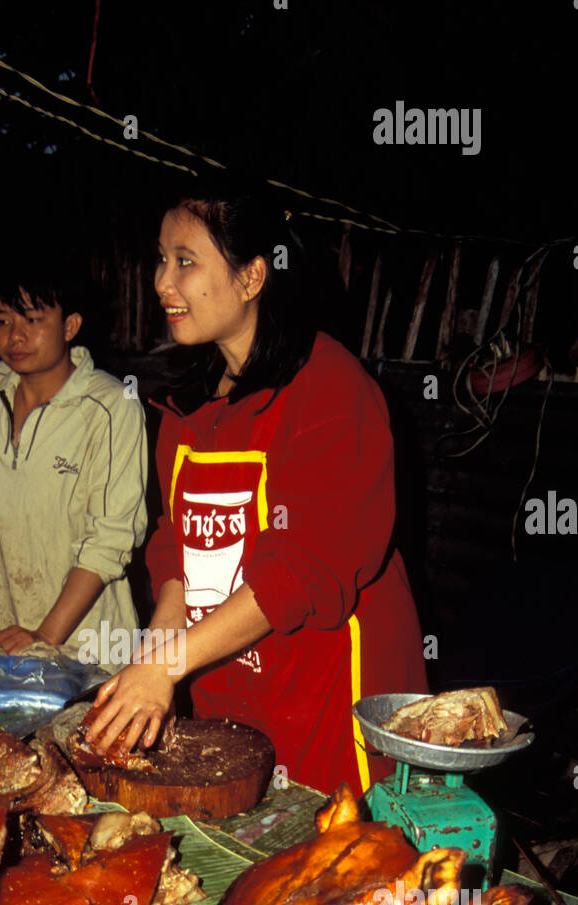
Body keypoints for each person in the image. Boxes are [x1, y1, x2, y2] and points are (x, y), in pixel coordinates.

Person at [84, 188, 427, 795]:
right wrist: (161, 643)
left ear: (251, 277)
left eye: (185, 261)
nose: (162, 280)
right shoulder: (187, 403)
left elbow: (303, 569)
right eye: (160, 258)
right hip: (228, 685)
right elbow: (175, 544)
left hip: (327, 696)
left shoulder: (331, 392)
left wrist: (166, 663)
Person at [0, 257, 148, 660]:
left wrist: (44, 635)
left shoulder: (110, 407)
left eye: (33, 320)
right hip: (3, 635)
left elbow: (109, 540)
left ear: (70, 326)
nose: (15, 337)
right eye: (4, 321)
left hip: (88, 649)